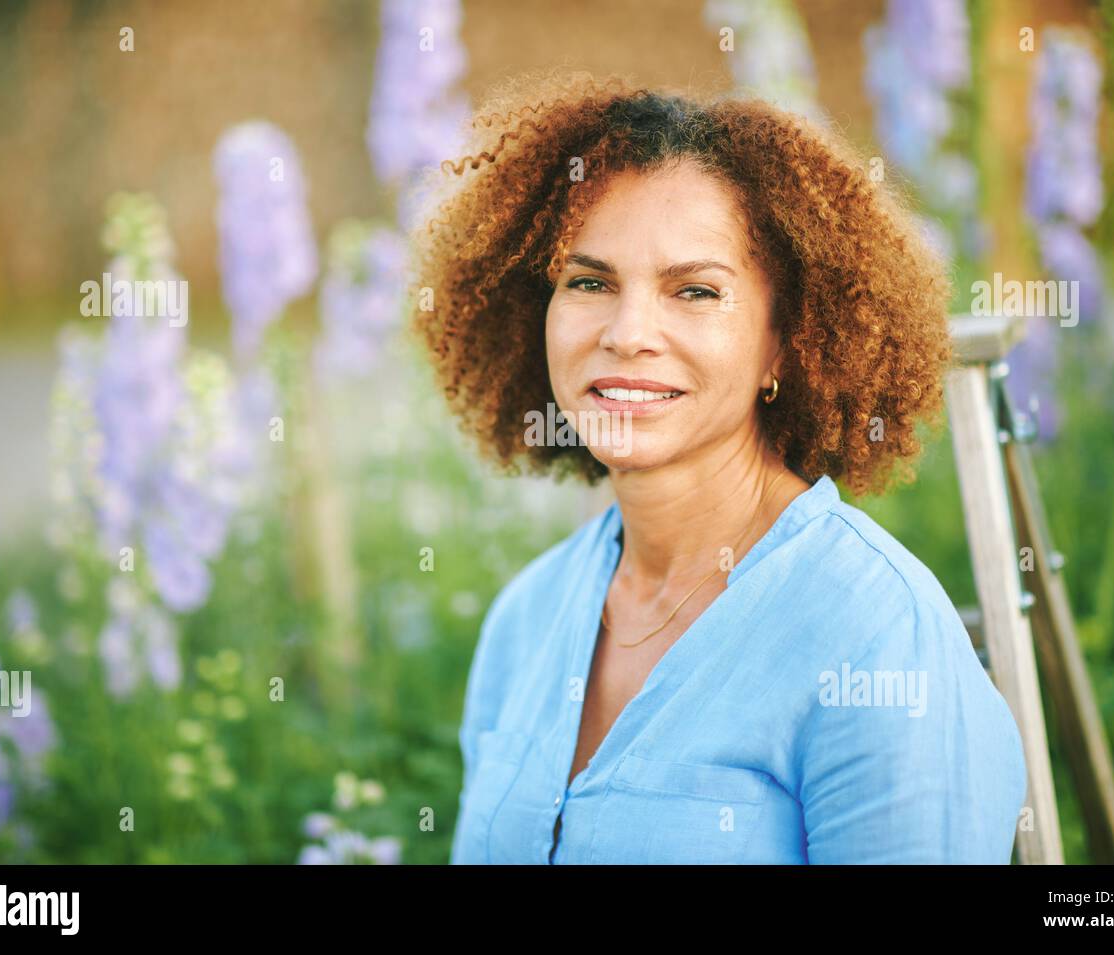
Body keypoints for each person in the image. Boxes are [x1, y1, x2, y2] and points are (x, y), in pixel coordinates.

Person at [409, 71, 1027, 864]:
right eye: (590, 281)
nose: (628, 332)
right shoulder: (524, 622)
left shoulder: (876, 634)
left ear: (784, 339)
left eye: (695, 291)